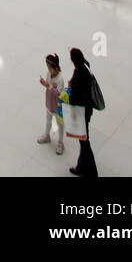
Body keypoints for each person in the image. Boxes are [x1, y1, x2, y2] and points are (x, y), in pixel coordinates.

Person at [67, 49, 98, 178]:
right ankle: (82, 165)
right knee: (84, 140)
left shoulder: (79, 72)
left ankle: (89, 170)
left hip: (81, 111)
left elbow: (74, 97)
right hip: (88, 109)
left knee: (84, 141)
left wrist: (70, 88)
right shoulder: (86, 65)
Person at [37, 54, 65, 155]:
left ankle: (61, 143)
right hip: (49, 102)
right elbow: (48, 87)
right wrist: (46, 85)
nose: (49, 70)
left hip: (57, 106)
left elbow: (58, 94)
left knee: (60, 124)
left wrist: (47, 85)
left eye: (50, 68)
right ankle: (46, 135)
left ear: (56, 68)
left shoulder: (60, 79)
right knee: (48, 120)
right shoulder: (48, 74)